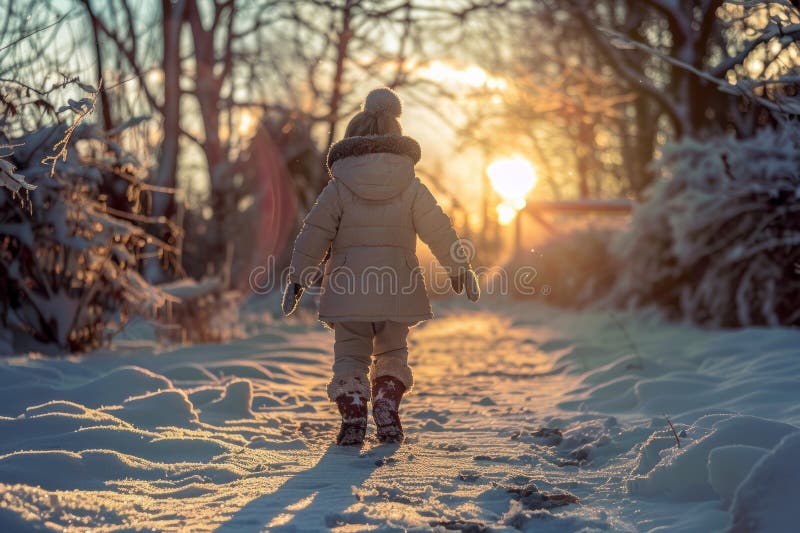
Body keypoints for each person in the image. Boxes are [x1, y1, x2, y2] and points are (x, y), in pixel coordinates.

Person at [283, 87, 479, 445]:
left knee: (350, 354)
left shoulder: (338, 187)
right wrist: (458, 267)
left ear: (352, 138)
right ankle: (387, 401)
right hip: (397, 287)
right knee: (391, 351)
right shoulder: (411, 186)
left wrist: (298, 278)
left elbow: (315, 232)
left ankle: (354, 407)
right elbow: (438, 227)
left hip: (347, 290)